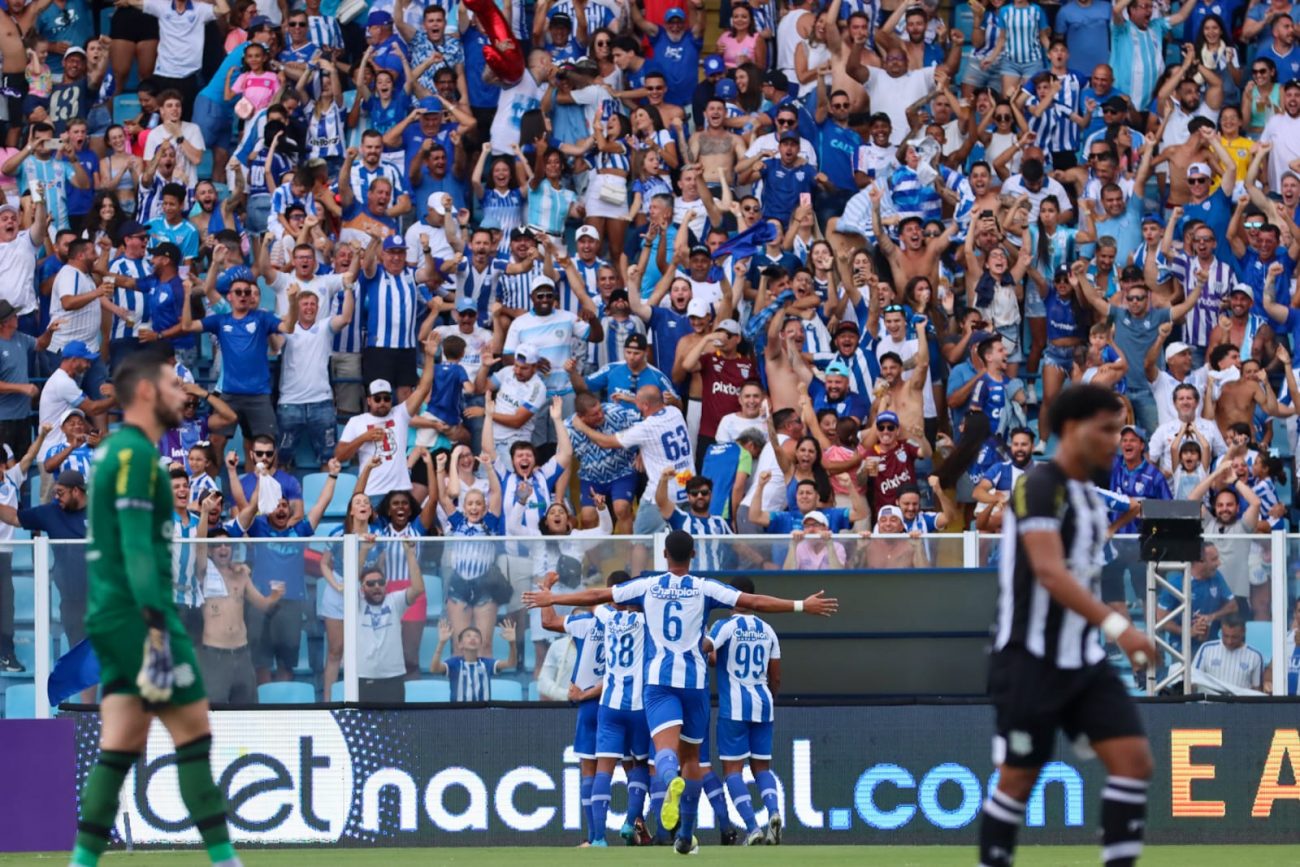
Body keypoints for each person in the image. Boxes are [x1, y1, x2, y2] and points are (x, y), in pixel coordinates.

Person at [523, 529, 838, 855]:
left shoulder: (647, 586)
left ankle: (666, 785)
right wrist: (803, 605)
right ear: (694, 556)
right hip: (695, 685)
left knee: (665, 755)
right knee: (693, 760)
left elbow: (598, 596)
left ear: (664, 556)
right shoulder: (704, 587)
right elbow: (753, 602)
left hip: (658, 684)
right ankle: (685, 835)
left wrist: (553, 598)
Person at [69, 347, 244, 867]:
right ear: (146, 392)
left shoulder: (118, 453)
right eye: (173, 385)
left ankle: (82, 862)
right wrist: (155, 631)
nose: (182, 393)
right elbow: (136, 547)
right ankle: (225, 860)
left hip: (112, 617)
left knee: (121, 744)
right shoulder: (136, 455)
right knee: (194, 735)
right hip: (137, 617)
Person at [977, 383, 1157, 867]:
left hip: (1084, 660)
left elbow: (1082, 570)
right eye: (1106, 430)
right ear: (1073, 429)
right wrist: (1122, 628)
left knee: (1135, 763)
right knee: (1017, 780)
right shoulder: (1039, 485)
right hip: (1028, 658)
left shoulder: (1091, 498)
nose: (1114, 441)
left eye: (1120, 431)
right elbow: (1049, 571)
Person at [704, 575, 783, 847]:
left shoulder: (725, 626)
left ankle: (752, 827)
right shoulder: (768, 629)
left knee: (733, 771)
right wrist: (769, 696)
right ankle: (773, 812)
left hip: (733, 707)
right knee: (762, 768)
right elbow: (776, 677)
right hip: (763, 704)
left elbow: (708, 651)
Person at [335, 332, 439, 495]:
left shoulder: (400, 413)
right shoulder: (356, 421)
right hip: (371, 491)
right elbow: (340, 456)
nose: (383, 402)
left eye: (386, 398)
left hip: (401, 490)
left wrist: (430, 357)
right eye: (377, 398)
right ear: (369, 400)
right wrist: (364, 438)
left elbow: (423, 388)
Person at [198, 529, 283, 705]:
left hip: (242, 654)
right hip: (214, 654)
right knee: (215, 712)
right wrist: (205, 513)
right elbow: (199, 545)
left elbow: (263, 605)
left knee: (247, 711)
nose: (223, 549)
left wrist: (276, 595)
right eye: (217, 545)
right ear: (210, 551)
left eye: (227, 544)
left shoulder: (241, 575)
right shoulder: (203, 574)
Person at [356, 539, 425, 702]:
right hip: (364, 676)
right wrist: (364, 550)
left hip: (393, 676)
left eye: (380, 583)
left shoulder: (395, 601)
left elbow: (418, 589)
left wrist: (410, 554)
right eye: (370, 584)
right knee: (366, 726)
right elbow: (351, 580)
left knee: (394, 726)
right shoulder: (355, 604)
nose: (376, 587)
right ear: (362, 588)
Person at [430, 619, 519, 701]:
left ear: (480, 645)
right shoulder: (454, 663)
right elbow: (434, 669)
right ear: (460, 644)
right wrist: (441, 643)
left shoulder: (487, 663)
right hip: (458, 714)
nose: (472, 638)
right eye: (468, 636)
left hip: (483, 714)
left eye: (476, 636)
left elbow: (511, 663)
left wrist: (512, 643)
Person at [1192, 614, 1264, 691]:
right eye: (1225, 636)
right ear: (1221, 631)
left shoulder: (1255, 656)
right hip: (1208, 702)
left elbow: (1257, 689)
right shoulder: (1206, 649)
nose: (1229, 641)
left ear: (1244, 632)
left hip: (1239, 702)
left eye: (1234, 637)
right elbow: (1193, 679)